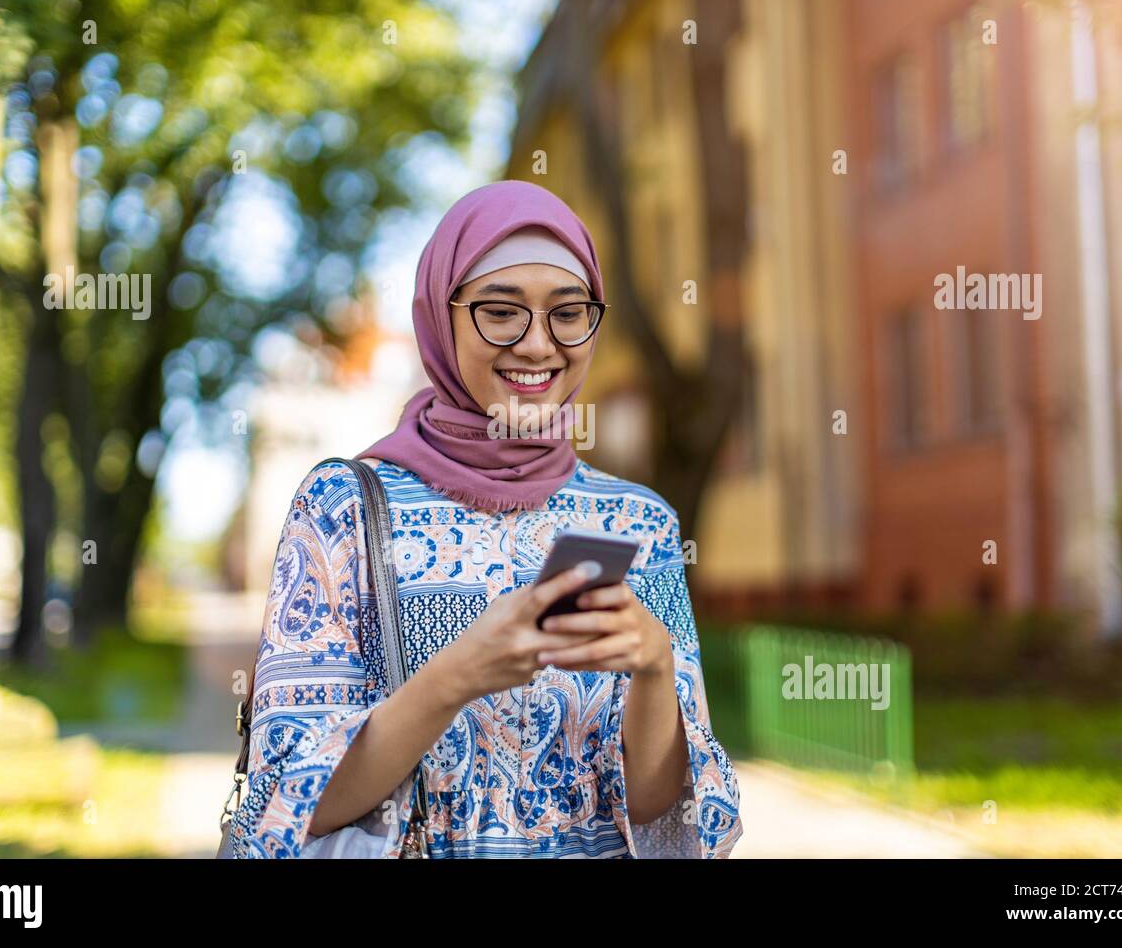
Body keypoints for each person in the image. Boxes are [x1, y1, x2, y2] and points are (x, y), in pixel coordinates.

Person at [227, 179, 743, 858]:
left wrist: (653, 668)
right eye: (500, 312)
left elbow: (659, 820)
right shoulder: (342, 508)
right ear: (441, 318)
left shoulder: (634, 523)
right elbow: (288, 800)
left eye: (568, 312)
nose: (537, 345)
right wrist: (458, 674)